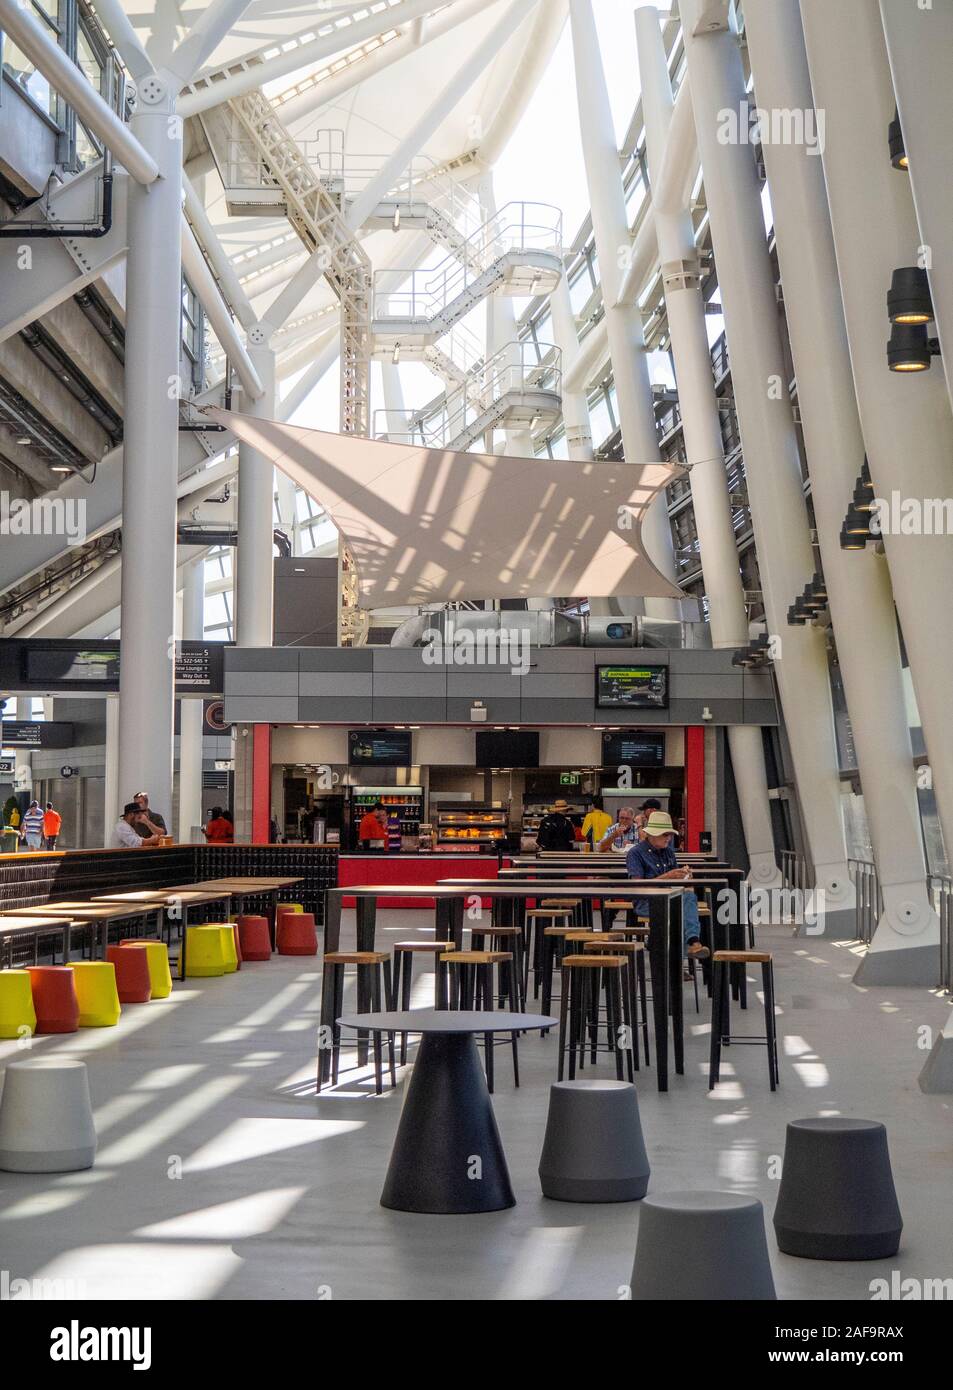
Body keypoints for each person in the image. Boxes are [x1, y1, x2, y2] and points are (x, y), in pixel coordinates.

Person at [626, 810, 709, 960]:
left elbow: (675, 882)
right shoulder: (635, 853)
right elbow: (637, 887)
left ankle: (681, 953)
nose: (669, 838)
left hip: (670, 898)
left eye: (670, 834)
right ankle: (692, 944)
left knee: (687, 898)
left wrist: (684, 876)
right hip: (647, 901)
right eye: (665, 834)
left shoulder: (668, 852)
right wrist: (667, 877)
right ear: (652, 834)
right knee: (684, 905)